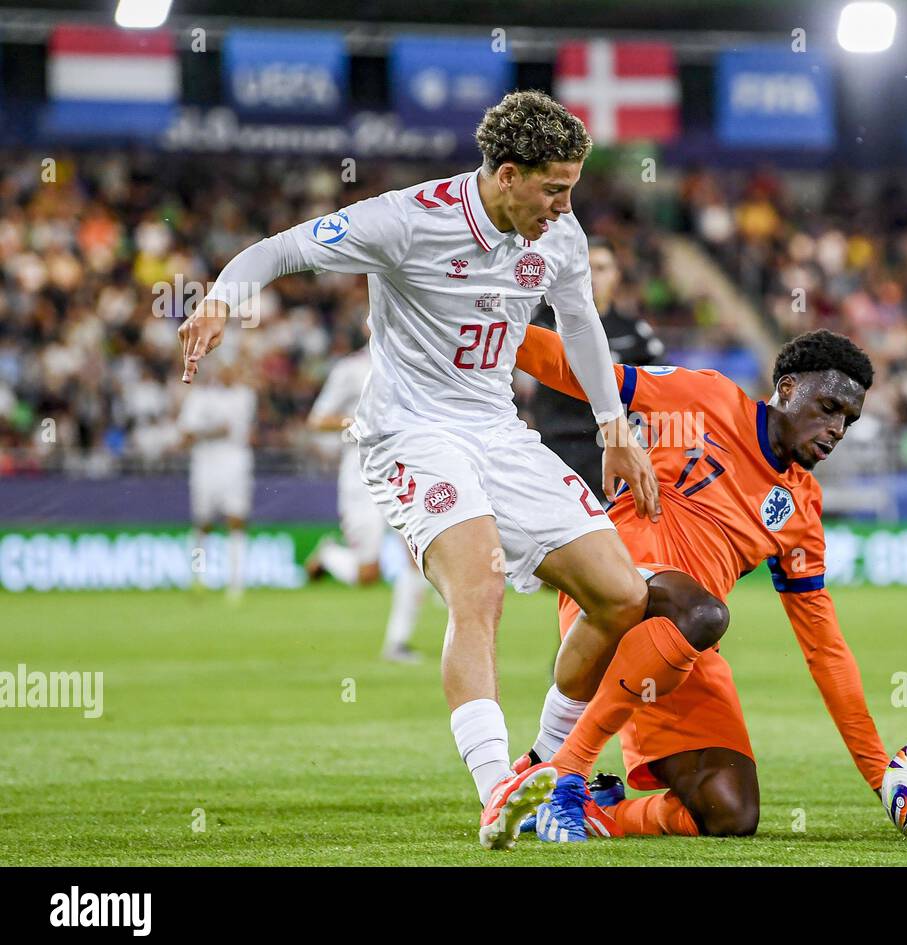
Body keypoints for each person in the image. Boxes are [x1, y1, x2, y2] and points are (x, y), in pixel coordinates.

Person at [177, 90, 662, 850]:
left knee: (621, 594)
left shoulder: (558, 236)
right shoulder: (405, 219)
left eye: (572, 187)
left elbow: (579, 321)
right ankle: (496, 785)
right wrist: (220, 297)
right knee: (480, 585)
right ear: (506, 174)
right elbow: (278, 250)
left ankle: (542, 761)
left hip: (497, 430)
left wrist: (614, 427)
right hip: (410, 433)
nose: (566, 204)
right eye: (553, 187)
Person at [510, 324, 888, 842]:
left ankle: (602, 813)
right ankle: (566, 771)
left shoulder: (801, 510)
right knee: (704, 613)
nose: (837, 429)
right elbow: (588, 372)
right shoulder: (705, 397)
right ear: (787, 388)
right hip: (614, 592)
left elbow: (826, 651)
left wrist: (880, 778)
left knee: (731, 815)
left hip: (679, 644)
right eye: (828, 407)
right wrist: (492, 326)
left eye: (848, 419)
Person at [305, 340, 433, 663]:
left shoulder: (410, 361)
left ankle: (397, 644)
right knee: (368, 574)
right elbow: (317, 420)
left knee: (416, 556)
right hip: (360, 473)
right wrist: (356, 424)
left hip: (401, 469)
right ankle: (329, 554)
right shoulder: (350, 369)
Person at [521, 237, 664, 497]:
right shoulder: (540, 322)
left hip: (612, 446)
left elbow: (659, 395)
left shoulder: (636, 333)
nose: (593, 277)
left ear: (616, 275)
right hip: (552, 444)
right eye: (586, 268)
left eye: (601, 268)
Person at [177, 358, 256, 603]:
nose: (228, 372)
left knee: (236, 520)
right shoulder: (198, 397)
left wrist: (204, 430)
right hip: (204, 464)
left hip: (234, 462)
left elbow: (233, 429)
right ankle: (198, 579)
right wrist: (210, 430)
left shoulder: (244, 396)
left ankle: (235, 583)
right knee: (203, 523)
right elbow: (185, 435)